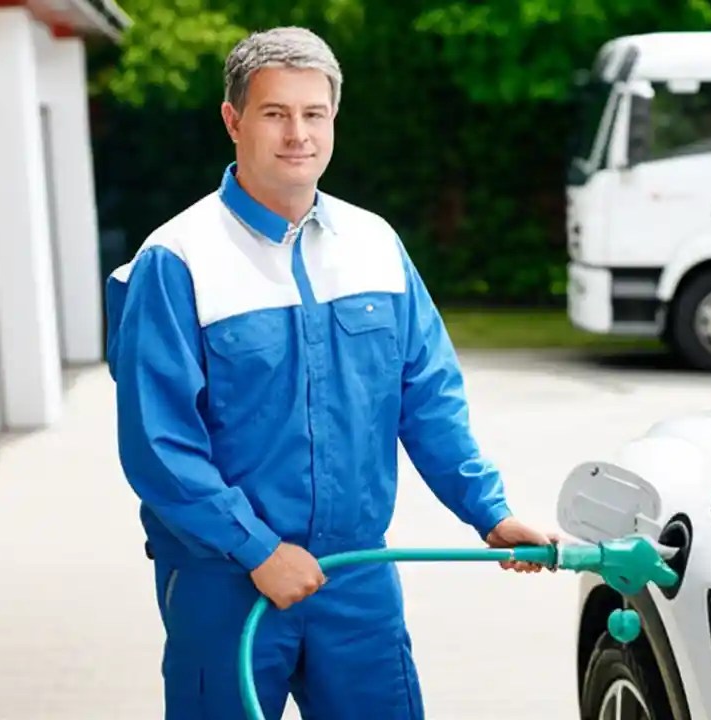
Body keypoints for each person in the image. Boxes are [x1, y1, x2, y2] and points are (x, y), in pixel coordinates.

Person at [103, 26, 554, 719]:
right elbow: (160, 446)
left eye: (314, 114)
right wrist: (255, 550)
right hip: (223, 580)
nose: (298, 134)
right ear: (233, 121)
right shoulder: (178, 260)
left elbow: (427, 400)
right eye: (275, 113)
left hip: (356, 576)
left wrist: (491, 514)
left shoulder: (375, 245)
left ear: (333, 120)